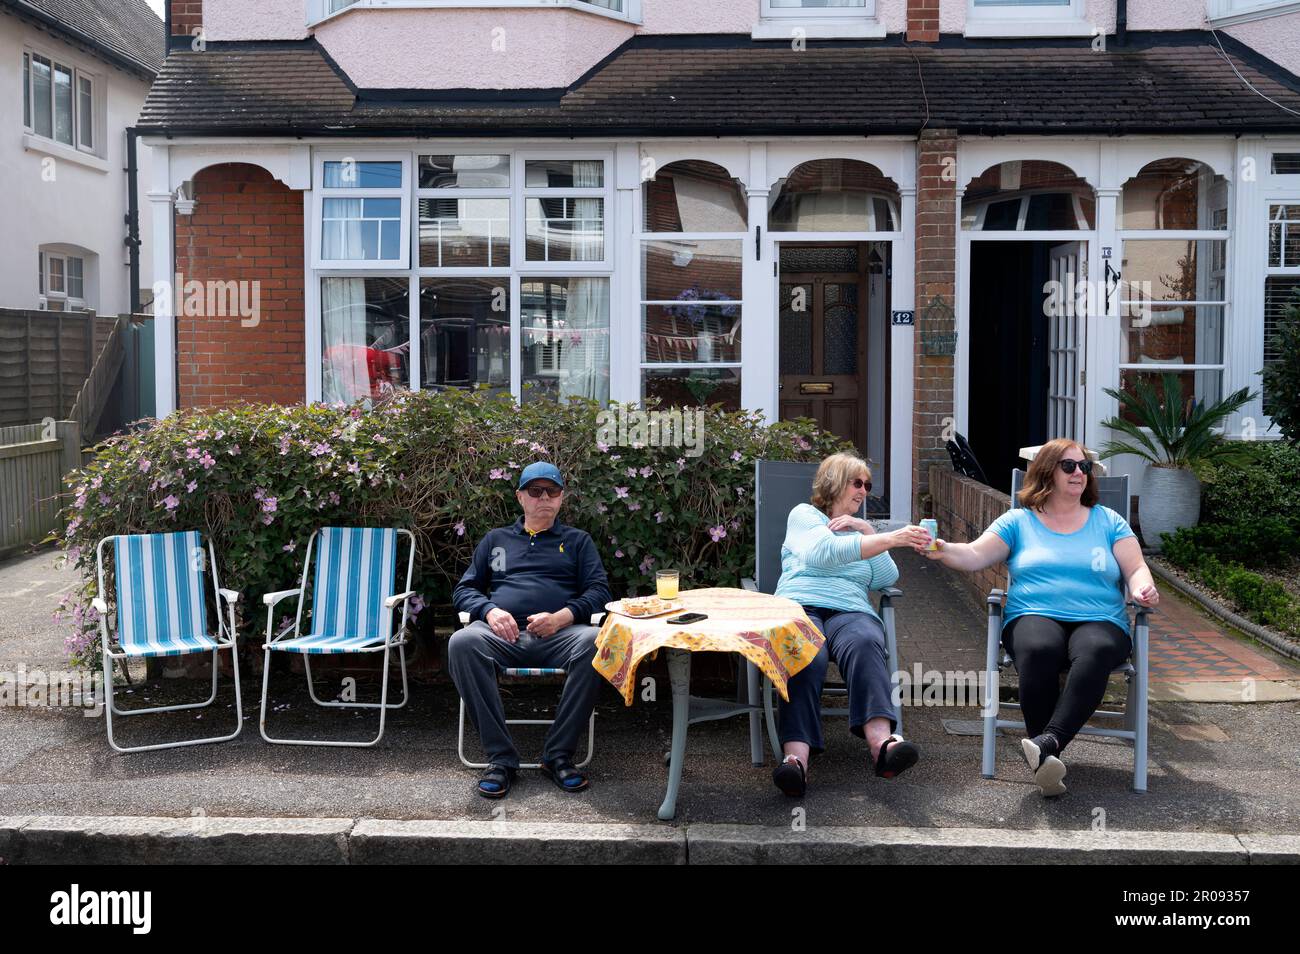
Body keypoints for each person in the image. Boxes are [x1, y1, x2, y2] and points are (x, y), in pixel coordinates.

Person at [919, 438, 1159, 796]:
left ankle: (1047, 745)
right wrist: (940, 549)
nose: (1079, 473)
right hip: (1033, 613)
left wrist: (1143, 588)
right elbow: (972, 555)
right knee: (1038, 648)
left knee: (1093, 650)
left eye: (1084, 467)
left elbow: (1136, 567)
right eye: (1069, 466)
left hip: (1099, 617)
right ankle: (1046, 760)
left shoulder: (1108, 521)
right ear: (1047, 472)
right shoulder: (1019, 521)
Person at [770, 452, 933, 797]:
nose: (864, 491)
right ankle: (795, 760)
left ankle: (883, 746)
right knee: (805, 654)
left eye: (867, 485)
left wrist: (869, 530)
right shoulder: (805, 517)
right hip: (801, 607)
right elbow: (822, 554)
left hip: (850, 610)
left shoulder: (862, 532)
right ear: (833, 483)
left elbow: (887, 576)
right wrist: (891, 538)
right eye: (856, 483)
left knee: (864, 642)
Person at [449, 462, 612, 799]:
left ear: (562, 498)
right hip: (501, 636)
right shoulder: (497, 540)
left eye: (552, 491)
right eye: (535, 491)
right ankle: (501, 759)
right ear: (520, 497)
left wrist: (563, 617)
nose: (544, 498)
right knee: (462, 642)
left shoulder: (578, 541)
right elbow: (464, 590)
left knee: (596, 642)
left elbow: (599, 592)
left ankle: (558, 756)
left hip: (560, 637)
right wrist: (490, 611)